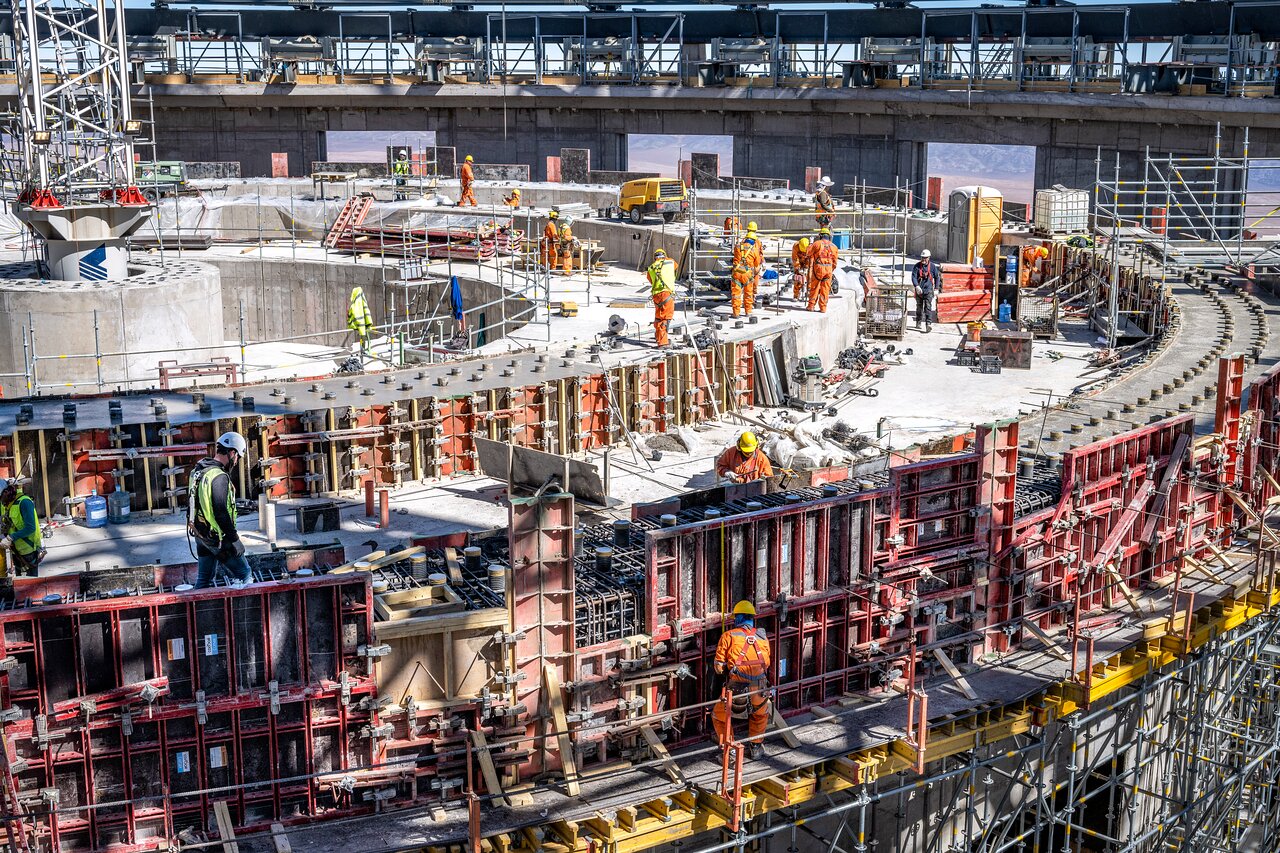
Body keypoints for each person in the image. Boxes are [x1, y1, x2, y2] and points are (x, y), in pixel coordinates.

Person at [187, 433, 257, 589]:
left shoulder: (199, 469)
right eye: (237, 457)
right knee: (245, 574)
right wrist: (235, 540)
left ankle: (196, 604)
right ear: (232, 453)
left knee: (204, 579)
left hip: (200, 534)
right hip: (216, 538)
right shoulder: (219, 477)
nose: (236, 461)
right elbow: (220, 513)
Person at [711, 600, 772, 759]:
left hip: (737, 689)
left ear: (738, 618)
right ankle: (756, 747)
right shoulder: (762, 637)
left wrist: (730, 668)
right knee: (760, 715)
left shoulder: (728, 636)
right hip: (760, 687)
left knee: (720, 715)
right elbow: (767, 663)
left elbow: (718, 668)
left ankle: (730, 751)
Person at [0, 478, 44, 578]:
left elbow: (30, 528)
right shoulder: (9, 504)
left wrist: (10, 538)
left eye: (0, 497)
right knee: (20, 582)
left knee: (30, 582)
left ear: (6, 492)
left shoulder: (24, 502)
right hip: (16, 550)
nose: (1, 501)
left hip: (28, 551)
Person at [730, 222, 764, 318]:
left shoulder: (738, 246)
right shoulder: (754, 250)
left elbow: (735, 255)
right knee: (748, 293)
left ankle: (736, 313)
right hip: (747, 273)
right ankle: (748, 312)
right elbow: (757, 264)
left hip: (737, 272)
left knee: (736, 294)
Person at [647, 248, 677, 348]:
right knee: (665, 318)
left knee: (658, 317)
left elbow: (651, 280)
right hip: (666, 294)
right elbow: (676, 266)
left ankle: (658, 337)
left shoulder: (651, 267)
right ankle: (663, 343)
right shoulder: (670, 262)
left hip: (656, 295)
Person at [806, 228, 839, 313]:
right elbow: (835, 262)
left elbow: (808, 253)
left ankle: (811, 306)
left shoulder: (817, 244)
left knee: (814, 287)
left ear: (820, 235)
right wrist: (831, 269)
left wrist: (810, 243)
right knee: (825, 289)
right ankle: (823, 308)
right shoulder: (834, 247)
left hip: (818, 269)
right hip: (828, 269)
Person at [912, 249, 944, 332]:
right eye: (922, 257)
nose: (923, 259)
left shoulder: (932, 267)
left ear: (929, 258)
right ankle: (918, 322)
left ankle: (928, 324)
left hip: (928, 291)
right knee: (919, 307)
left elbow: (937, 277)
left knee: (928, 307)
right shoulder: (917, 266)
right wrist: (916, 286)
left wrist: (936, 288)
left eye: (925, 258)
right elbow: (914, 277)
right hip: (919, 291)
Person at [347, 286, 374, 352]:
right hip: (363, 325)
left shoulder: (355, 304)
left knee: (363, 338)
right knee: (363, 337)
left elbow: (354, 314)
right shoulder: (362, 302)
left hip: (359, 325)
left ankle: (363, 351)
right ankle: (363, 350)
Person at [791, 237, 811, 302]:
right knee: (797, 278)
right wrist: (798, 267)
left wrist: (807, 267)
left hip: (807, 262)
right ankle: (796, 295)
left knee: (810, 277)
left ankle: (809, 293)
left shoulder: (810, 247)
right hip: (799, 262)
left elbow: (810, 258)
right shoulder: (796, 246)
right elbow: (795, 258)